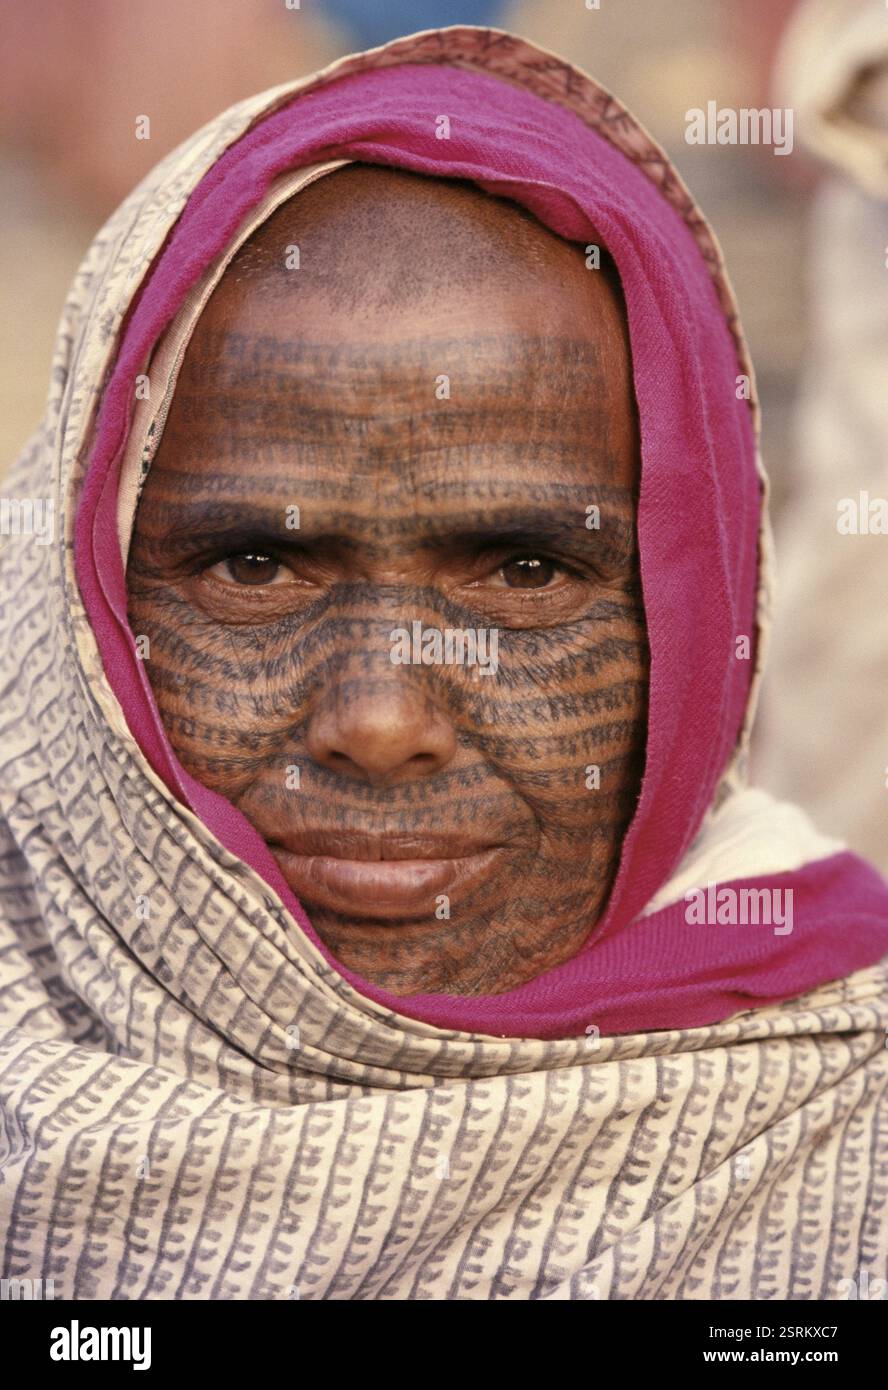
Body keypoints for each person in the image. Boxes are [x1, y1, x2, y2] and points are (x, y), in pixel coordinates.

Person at [2, 24, 887, 1301]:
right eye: (254, 565)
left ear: (701, 634)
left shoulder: (838, 1132)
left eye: (526, 570)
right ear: (82, 606)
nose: (379, 720)